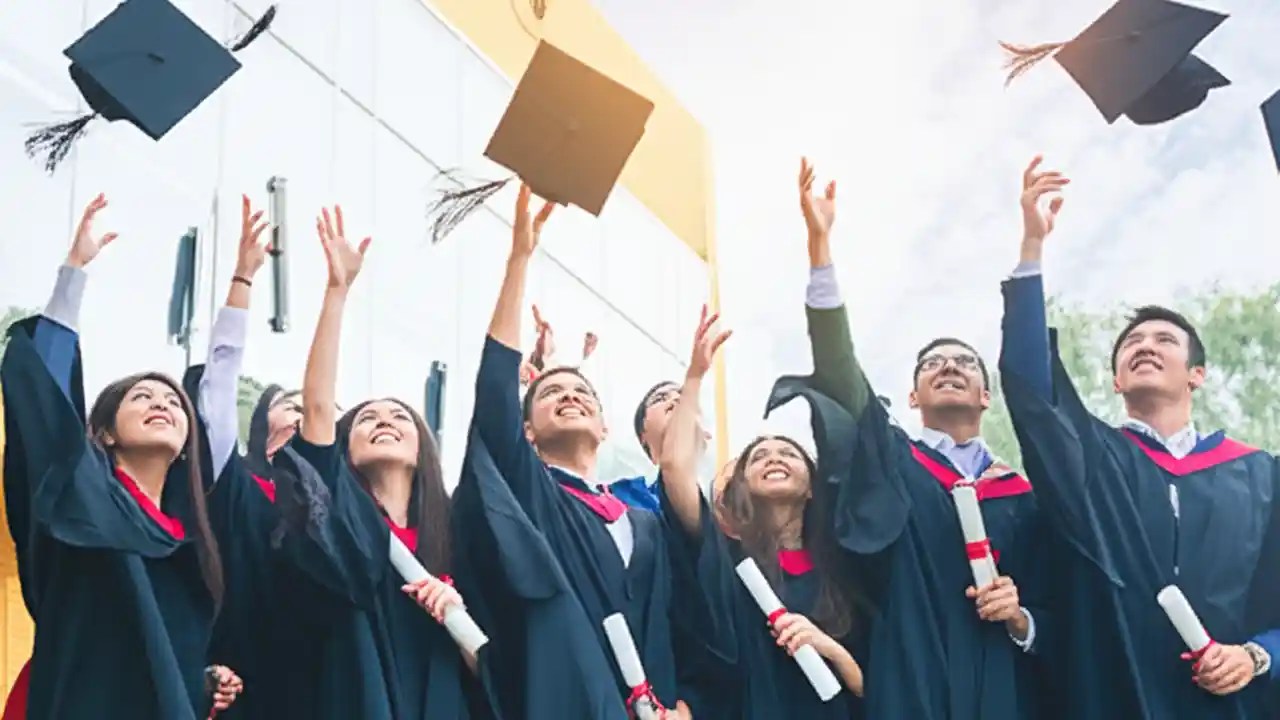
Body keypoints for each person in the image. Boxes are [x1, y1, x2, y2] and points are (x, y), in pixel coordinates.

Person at [765, 159, 1048, 719]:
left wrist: (1021, 618)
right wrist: (820, 250)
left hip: (1004, 693)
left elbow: (1060, 606)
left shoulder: (1022, 494)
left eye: (965, 362)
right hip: (911, 682)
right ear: (913, 398)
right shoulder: (896, 462)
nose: (949, 366)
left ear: (987, 395)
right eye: (932, 363)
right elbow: (843, 378)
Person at [999, 155, 1280, 719]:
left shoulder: (1261, 474)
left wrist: (1257, 655)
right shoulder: (1092, 459)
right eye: (1132, 343)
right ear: (1116, 379)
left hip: (1233, 704)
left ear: (1196, 374)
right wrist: (1032, 246)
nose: (1146, 345)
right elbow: (1032, 387)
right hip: (1113, 695)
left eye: (1164, 340)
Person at [458, 183, 733, 719]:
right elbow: (493, 396)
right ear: (528, 433)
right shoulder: (534, 499)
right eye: (550, 393)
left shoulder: (646, 521)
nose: (569, 395)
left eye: (582, 392)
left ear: (606, 429)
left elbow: (696, 621)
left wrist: (689, 707)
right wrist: (520, 258)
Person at [0, 194, 241, 718]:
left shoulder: (187, 541)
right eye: (141, 398)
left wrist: (205, 682)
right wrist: (74, 272)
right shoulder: (77, 493)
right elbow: (45, 404)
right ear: (105, 433)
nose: (162, 403)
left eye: (174, 402)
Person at [267, 204, 488, 719]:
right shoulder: (340, 518)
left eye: (399, 417)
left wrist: (454, 615)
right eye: (366, 418)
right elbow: (319, 408)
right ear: (345, 448)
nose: (383, 421)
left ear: (423, 449)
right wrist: (337, 293)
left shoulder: (454, 537)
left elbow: (492, 671)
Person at [658, 307, 866, 718]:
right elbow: (674, 469)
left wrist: (828, 647)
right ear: (741, 485)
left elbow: (869, 684)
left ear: (811, 488)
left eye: (788, 453)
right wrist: (695, 376)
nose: (774, 457)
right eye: (759, 456)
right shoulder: (724, 559)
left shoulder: (842, 569)